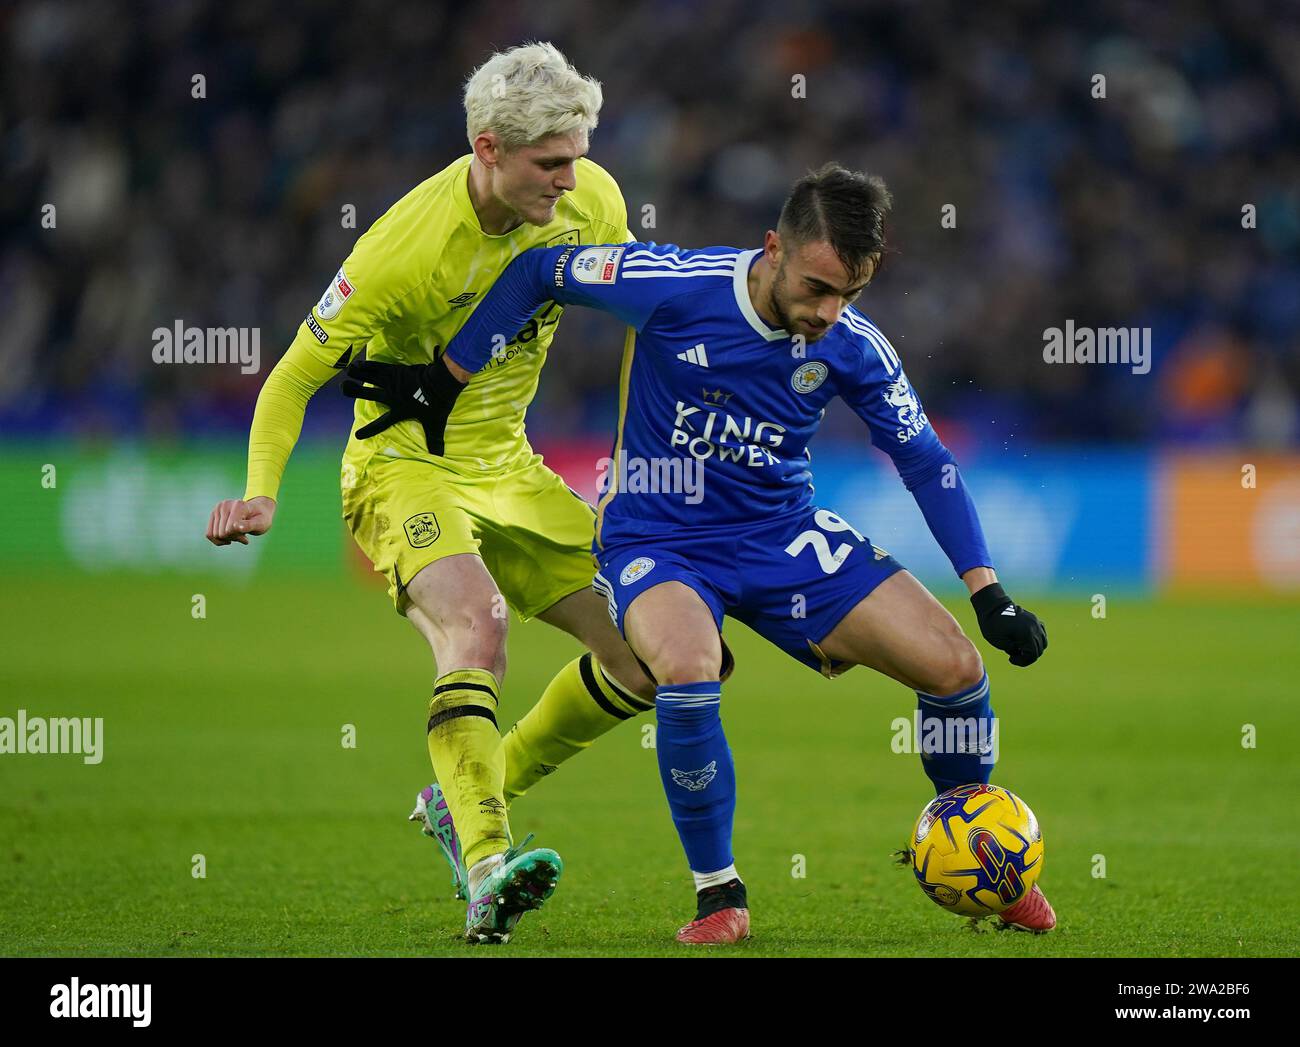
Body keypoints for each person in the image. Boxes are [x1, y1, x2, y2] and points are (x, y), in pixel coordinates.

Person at [344, 162, 1055, 944]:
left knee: (956, 668)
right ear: (774, 246)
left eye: (849, 293)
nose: (828, 312)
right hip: (658, 539)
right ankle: (720, 893)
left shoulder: (853, 345)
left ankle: (982, 858)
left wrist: (988, 592)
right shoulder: (675, 284)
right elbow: (540, 269)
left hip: (781, 534)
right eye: (817, 287)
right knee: (686, 664)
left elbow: (925, 460)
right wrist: (449, 378)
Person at [205, 41, 659, 945]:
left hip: (511, 468)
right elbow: (292, 379)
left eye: (577, 156)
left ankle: (464, 800)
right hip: (401, 462)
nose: (573, 182)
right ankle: (488, 864)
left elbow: (652, 318)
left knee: (658, 657)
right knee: (476, 625)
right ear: (488, 149)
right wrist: (261, 492)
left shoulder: (594, 201)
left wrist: (634, 466)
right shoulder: (401, 249)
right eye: (550, 164)